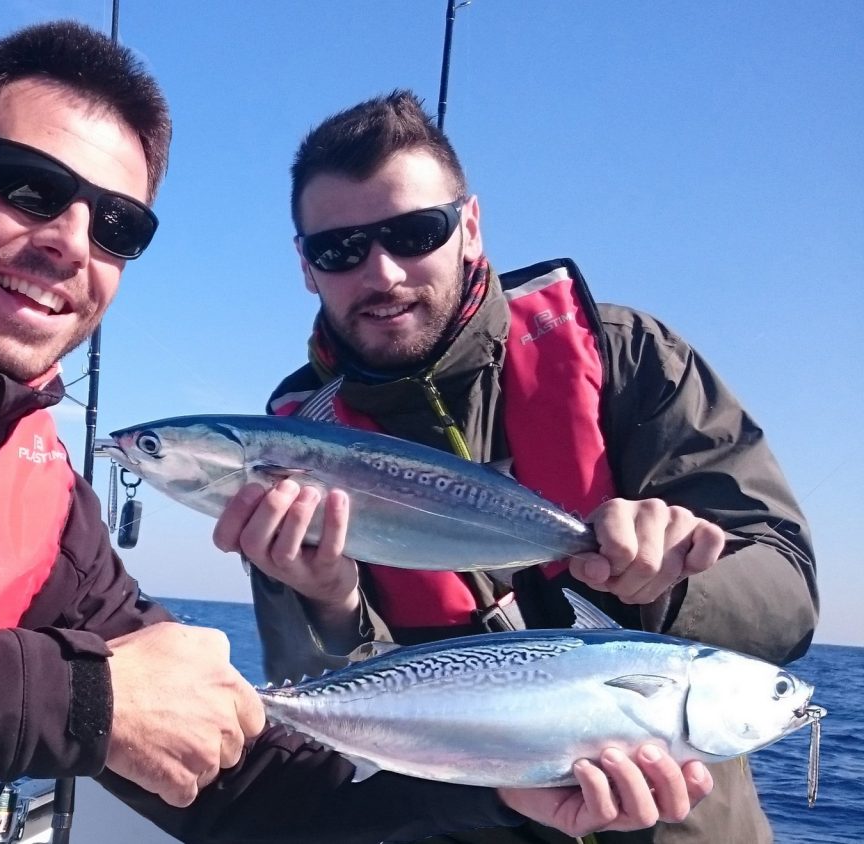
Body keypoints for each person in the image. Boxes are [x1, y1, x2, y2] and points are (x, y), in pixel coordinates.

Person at [0, 24, 712, 844]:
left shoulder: (39, 495)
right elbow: (103, 701)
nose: (72, 244)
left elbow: (249, 781)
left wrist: (503, 788)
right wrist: (86, 703)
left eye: (118, 225)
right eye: (28, 187)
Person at [213, 90, 819, 844]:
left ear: (470, 226)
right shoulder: (296, 449)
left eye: (415, 233)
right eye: (340, 250)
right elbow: (317, 713)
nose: (384, 274)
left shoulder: (628, 356)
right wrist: (328, 605)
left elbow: (788, 590)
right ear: (306, 267)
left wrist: (677, 585)